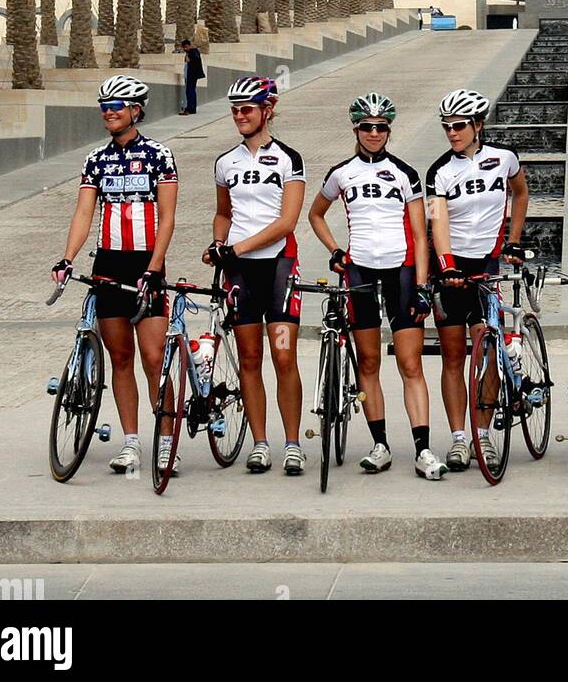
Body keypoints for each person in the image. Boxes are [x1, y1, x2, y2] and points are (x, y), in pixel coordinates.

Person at [309, 93, 447, 480]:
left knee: (410, 363)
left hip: (400, 272)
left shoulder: (405, 173)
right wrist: (335, 249)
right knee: (368, 362)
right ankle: (380, 444)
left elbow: (421, 236)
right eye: (367, 127)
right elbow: (315, 214)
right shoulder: (341, 173)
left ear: (389, 130)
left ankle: (423, 449)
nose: (374, 133)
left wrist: (422, 284)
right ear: (356, 129)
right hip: (360, 272)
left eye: (381, 127)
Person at [51, 75, 178, 475]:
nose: (109, 112)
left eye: (118, 105)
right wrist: (67, 258)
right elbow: (84, 213)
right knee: (120, 357)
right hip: (107, 262)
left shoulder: (160, 154)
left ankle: (165, 442)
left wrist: (155, 268)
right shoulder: (95, 160)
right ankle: (131, 443)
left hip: (146, 264)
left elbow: (168, 216)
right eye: (104, 106)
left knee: (154, 357)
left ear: (136, 110)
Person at [205, 75, 307, 476]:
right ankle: (260, 443)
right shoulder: (225, 162)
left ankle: (294, 443)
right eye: (234, 110)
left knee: (283, 356)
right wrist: (219, 243)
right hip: (240, 272)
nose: (239, 116)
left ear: (267, 110)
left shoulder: (289, 158)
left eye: (246, 109)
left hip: (278, 266)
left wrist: (238, 248)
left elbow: (287, 222)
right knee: (249, 357)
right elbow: (223, 214)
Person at [427, 88, 530, 471]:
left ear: (478, 125)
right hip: (452, 269)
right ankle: (458, 439)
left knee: (487, 353)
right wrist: (447, 264)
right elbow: (438, 221)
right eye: (447, 127)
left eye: (459, 126)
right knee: (453, 356)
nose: (452, 133)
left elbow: (520, 194)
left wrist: (513, 239)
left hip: (486, 266)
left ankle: (482, 435)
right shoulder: (439, 170)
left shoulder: (504, 158)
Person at [179, 38, 205, 115]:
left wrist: (189, 61)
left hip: (191, 75)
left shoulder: (193, 52)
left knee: (190, 92)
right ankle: (192, 108)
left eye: (185, 47)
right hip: (190, 75)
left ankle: (190, 108)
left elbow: (195, 62)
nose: (184, 49)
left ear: (188, 46)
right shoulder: (192, 52)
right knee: (191, 91)